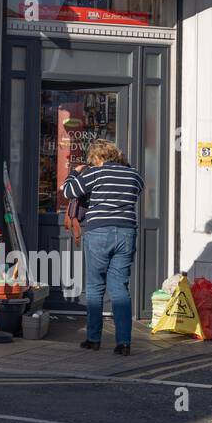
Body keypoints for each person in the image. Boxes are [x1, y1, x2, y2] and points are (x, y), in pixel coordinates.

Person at [62, 138, 144, 355]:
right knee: (119, 288)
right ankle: (124, 343)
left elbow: (68, 192)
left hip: (98, 231)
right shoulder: (134, 174)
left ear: (98, 158)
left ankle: (93, 339)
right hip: (126, 232)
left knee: (96, 286)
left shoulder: (95, 173)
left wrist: (76, 173)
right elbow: (138, 190)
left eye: (93, 160)